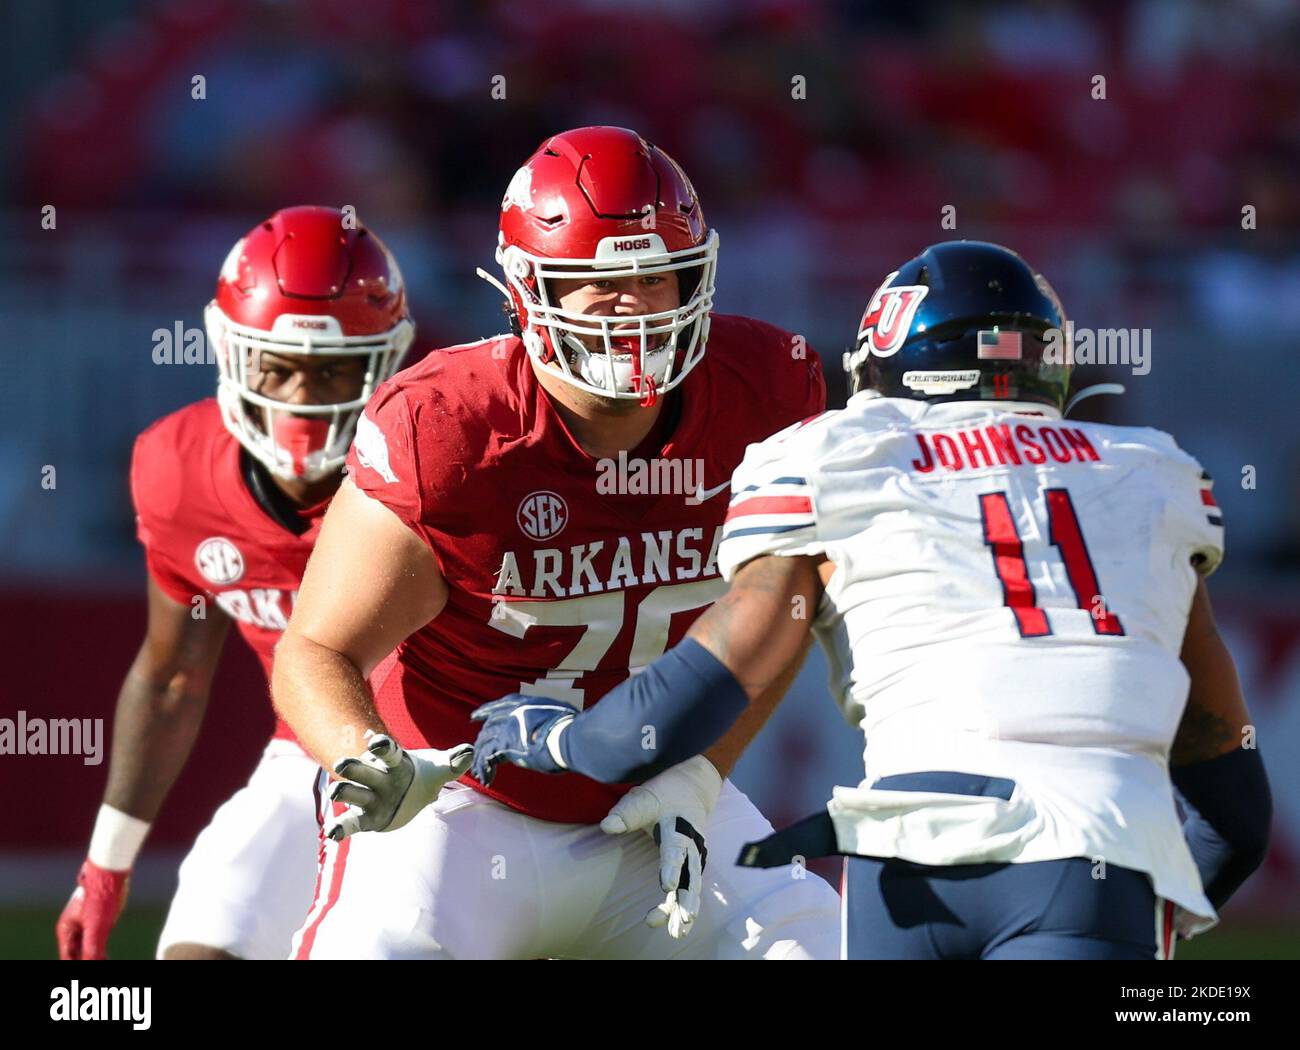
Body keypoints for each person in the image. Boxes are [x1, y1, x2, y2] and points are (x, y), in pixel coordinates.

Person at [472, 240, 1273, 960]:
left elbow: (730, 659)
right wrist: (1148, 902)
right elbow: (1225, 779)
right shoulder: (1146, 472)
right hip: (1088, 847)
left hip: (902, 862)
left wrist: (571, 744)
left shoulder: (837, 454)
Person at [273, 126, 841, 959]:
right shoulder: (451, 429)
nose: (637, 306)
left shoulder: (767, 388)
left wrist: (703, 769)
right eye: (599, 284)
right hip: (461, 805)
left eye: (656, 276)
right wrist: (369, 759)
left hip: (653, 802)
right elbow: (316, 648)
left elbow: (784, 602)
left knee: (819, 947)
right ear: (528, 290)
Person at [56, 206, 415, 960]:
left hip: (463, 770)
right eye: (277, 366)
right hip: (314, 759)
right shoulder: (178, 468)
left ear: (386, 363)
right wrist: (106, 865)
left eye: (331, 370)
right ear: (230, 351)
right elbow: (172, 679)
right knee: (198, 950)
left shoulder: (437, 457)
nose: (300, 399)